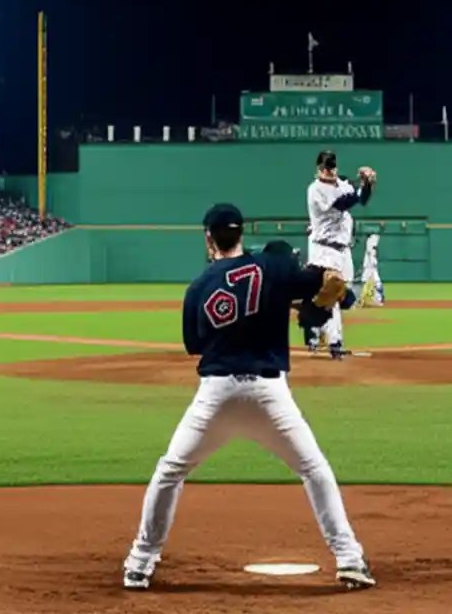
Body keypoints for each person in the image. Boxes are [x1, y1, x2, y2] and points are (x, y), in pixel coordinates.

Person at [122, 204, 374, 592]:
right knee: (314, 470)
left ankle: (140, 562)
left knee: (170, 471)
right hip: (270, 394)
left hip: (216, 396)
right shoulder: (273, 268)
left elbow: (195, 346)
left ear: (209, 238)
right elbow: (334, 282)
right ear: (241, 234)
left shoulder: (198, 287)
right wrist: (313, 308)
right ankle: (350, 559)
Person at [305, 149, 375, 359]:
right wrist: (361, 183)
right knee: (332, 294)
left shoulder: (341, 185)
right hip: (323, 249)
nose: (330, 169)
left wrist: (367, 183)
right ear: (319, 169)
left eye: (332, 166)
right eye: (326, 166)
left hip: (341, 251)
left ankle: (315, 329)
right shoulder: (315, 189)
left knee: (341, 297)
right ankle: (332, 341)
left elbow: (361, 199)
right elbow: (342, 203)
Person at [359, 234, 384, 307]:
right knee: (375, 282)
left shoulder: (370, 244)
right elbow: (371, 253)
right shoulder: (371, 244)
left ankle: (363, 299)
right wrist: (374, 262)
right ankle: (375, 299)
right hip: (369, 267)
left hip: (369, 267)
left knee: (369, 283)